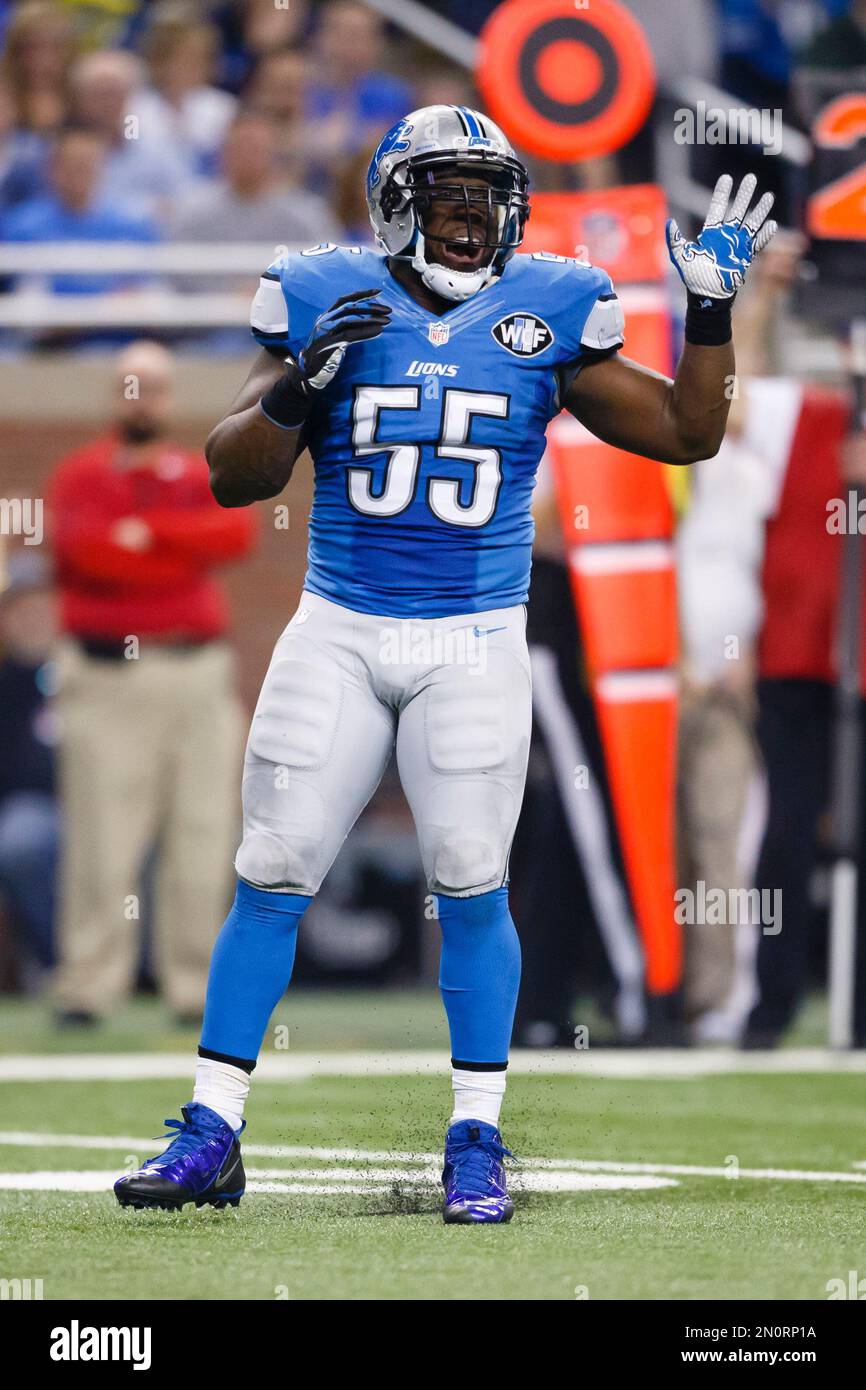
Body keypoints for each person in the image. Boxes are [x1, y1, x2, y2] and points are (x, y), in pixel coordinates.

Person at [114, 106, 777, 1224]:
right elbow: (233, 478)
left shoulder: (552, 305)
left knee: (470, 871)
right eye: (449, 197)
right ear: (393, 204)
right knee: (272, 866)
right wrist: (295, 387)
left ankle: (474, 1136)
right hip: (337, 622)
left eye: (486, 199)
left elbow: (685, 433)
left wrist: (708, 313)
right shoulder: (326, 292)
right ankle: (211, 1127)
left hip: (472, 636)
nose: (472, 221)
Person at [49, 341, 256, 1027]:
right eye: (131, 386)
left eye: (155, 387)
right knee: (102, 842)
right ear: (115, 394)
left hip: (197, 672)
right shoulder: (82, 475)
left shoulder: (197, 466)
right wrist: (167, 547)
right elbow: (87, 553)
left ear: (171, 397)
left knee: (203, 835)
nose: (142, 398)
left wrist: (149, 534)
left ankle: (195, 987)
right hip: (108, 677)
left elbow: (234, 535)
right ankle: (88, 986)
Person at [0, 549, 59, 985]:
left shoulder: (95, 673)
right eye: (22, 609)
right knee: (22, 836)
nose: (33, 618)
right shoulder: (7, 684)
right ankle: (53, 962)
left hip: (109, 813)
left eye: (43, 606)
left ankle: (141, 973)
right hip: (35, 815)